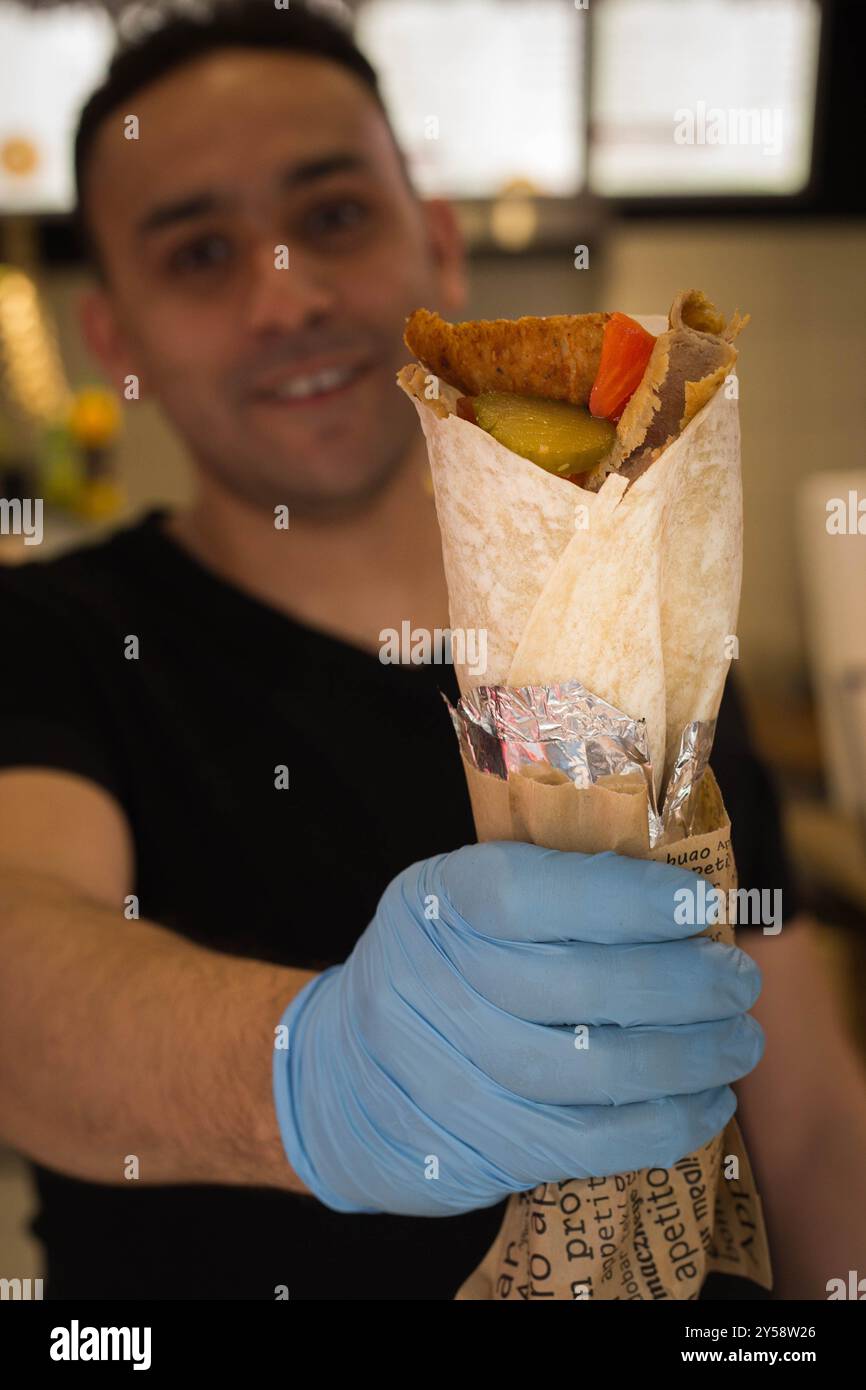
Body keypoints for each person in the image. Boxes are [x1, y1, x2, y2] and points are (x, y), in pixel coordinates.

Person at [0, 3, 862, 1302]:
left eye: (334, 217)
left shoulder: (653, 631)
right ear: (114, 341)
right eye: (198, 252)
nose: (285, 292)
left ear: (438, 244)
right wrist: (310, 1071)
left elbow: (801, 1122)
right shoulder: (52, 639)